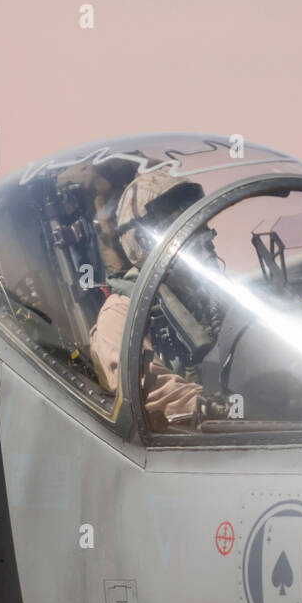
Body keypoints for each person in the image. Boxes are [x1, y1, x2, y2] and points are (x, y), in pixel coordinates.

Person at [88, 168, 217, 428]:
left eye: (200, 225)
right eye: (184, 229)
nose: (203, 238)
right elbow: (152, 393)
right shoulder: (122, 312)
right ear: (145, 242)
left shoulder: (209, 296)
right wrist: (228, 406)